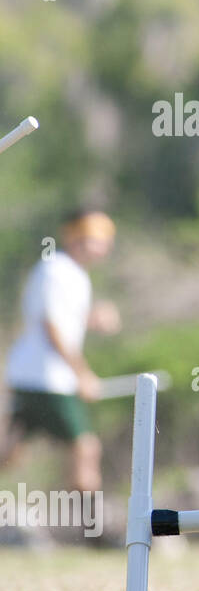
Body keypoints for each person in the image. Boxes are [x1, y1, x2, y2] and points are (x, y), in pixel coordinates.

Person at [3, 210, 120, 496]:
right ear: (75, 238)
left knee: (9, 452)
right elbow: (51, 326)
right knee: (86, 448)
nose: (102, 247)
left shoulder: (73, 274)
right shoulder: (56, 270)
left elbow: (63, 318)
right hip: (47, 379)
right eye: (95, 239)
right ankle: (92, 529)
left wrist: (92, 318)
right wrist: (82, 374)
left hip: (30, 375)